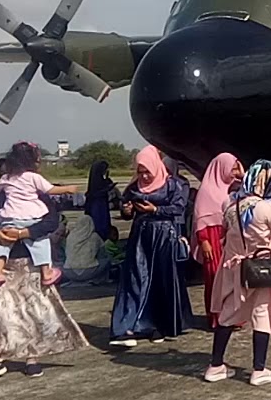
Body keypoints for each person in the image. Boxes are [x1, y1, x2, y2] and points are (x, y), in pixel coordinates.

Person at [0, 159, 87, 383]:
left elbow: (51, 221)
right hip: (2, 264)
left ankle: (32, 357)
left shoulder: (36, 194)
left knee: (33, 310)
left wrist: (23, 233)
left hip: (31, 263)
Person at [206, 160, 271, 385]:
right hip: (262, 268)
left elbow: (226, 234)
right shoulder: (267, 207)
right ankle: (258, 369)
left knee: (228, 314)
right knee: (261, 315)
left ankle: (215, 365)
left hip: (235, 268)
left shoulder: (230, 204)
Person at [109, 146, 193, 346]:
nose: (144, 176)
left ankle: (159, 326)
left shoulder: (172, 185)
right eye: (140, 172)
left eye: (147, 172)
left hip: (164, 235)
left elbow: (178, 208)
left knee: (161, 280)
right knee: (135, 279)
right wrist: (127, 210)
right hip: (141, 237)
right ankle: (127, 326)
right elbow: (126, 212)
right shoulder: (134, 187)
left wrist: (155, 209)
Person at [0, 142, 76, 292]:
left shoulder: (7, 178)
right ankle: (46, 273)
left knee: (3, 245)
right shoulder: (33, 177)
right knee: (41, 242)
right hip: (30, 215)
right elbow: (50, 189)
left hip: (10, 217)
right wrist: (68, 188)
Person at [193, 153, 242, 328]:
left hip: (229, 239)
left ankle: (233, 316)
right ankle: (217, 317)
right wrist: (203, 241)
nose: (234, 173)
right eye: (232, 169)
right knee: (215, 279)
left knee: (232, 277)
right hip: (212, 239)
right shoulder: (207, 191)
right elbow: (200, 218)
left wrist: (242, 173)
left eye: (235, 169)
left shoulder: (233, 189)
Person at [83, 160, 117, 244]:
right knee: (99, 225)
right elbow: (96, 193)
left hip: (101, 205)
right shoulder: (96, 180)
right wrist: (107, 188)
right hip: (97, 206)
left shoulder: (100, 179)